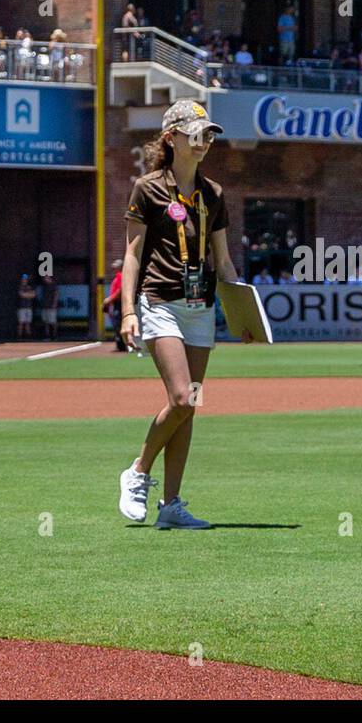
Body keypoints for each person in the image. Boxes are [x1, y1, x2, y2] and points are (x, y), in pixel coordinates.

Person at [118, 100, 252, 530]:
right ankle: (138, 471)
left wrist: (243, 315)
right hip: (160, 302)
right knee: (180, 397)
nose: (205, 141)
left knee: (190, 405)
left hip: (201, 308)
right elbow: (132, 255)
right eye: (197, 133)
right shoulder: (148, 187)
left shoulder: (214, 194)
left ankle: (171, 505)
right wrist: (127, 311)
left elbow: (224, 262)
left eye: (209, 134)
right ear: (171, 137)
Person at [17, 273, 36, 339]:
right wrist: (28, 295)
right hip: (21, 307)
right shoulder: (20, 286)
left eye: (25, 279)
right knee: (21, 322)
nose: (24, 280)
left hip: (29, 307)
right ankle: (19, 336)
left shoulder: (30, 287)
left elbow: (33, 295)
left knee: (28, 322)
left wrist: (26, 295)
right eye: (23, 279)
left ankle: (28, 336)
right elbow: (21, 294)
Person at [40, 273, 60, 340]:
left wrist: (54, 304)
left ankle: (55, 335)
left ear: (49, 278)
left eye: (46, 278)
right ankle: (47, 335)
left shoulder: (54, 285)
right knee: (46, 321)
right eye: (44, 278)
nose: (45, 279)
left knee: (53, 321)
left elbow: (56, 295)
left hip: (51, 306)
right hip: (45, 306)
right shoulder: (44, 286)